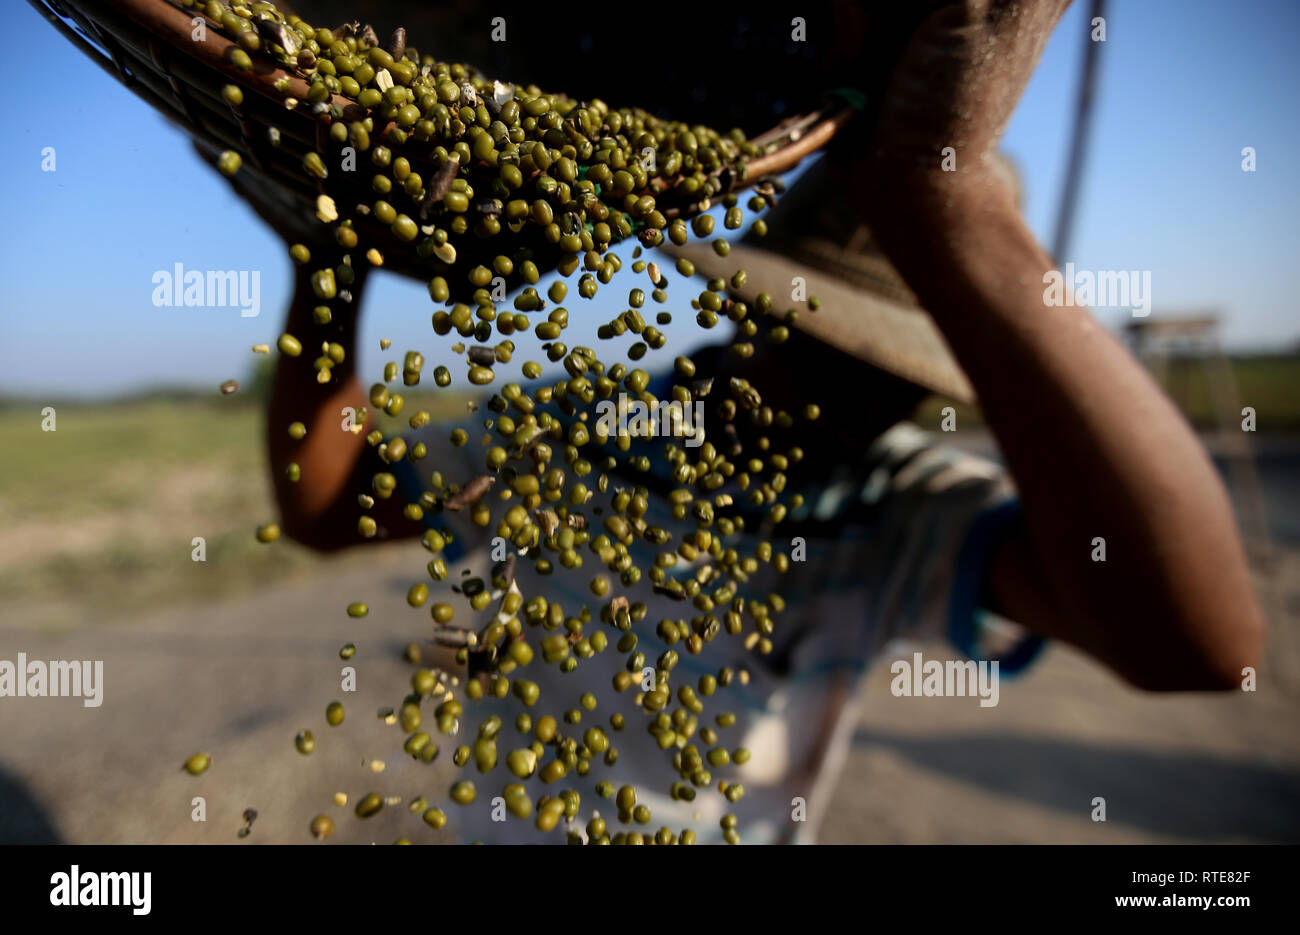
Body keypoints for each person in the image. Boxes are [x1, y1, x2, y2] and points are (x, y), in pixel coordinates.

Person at [261, 0, 1264, 842]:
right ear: (754, 315)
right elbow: (328, 501)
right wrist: (329, 248)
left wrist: (942, 199)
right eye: (829, 352)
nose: (871, 401)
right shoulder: (574, 434)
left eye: (899, 377)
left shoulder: (897, 507)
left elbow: (1199, 645)